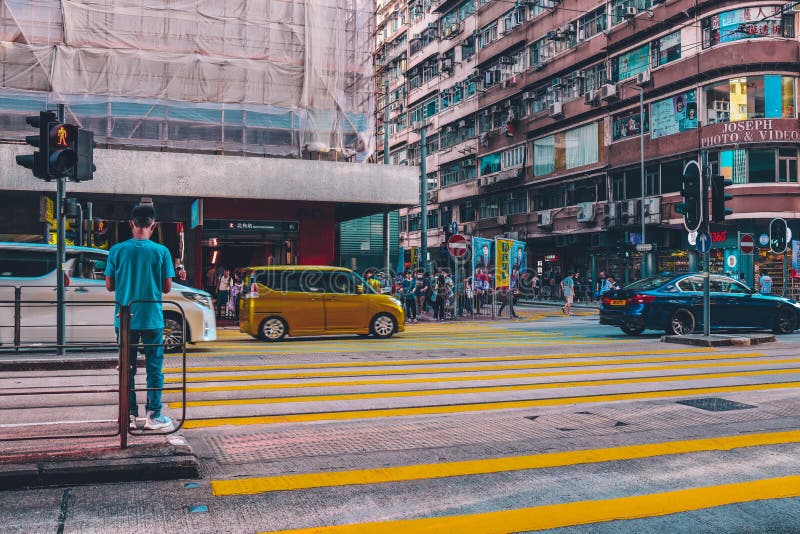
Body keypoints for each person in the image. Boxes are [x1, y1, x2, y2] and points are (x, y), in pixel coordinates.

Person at [104, 203, 175, 431]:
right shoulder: (162, 252)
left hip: (125, 317)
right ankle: (154, 415)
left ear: (131, 224)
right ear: (153, 226)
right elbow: (167, 288)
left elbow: (109, 285)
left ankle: (130, 416)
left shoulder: (116, 250)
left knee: (127, 368)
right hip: (152, 318)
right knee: (155, 367)